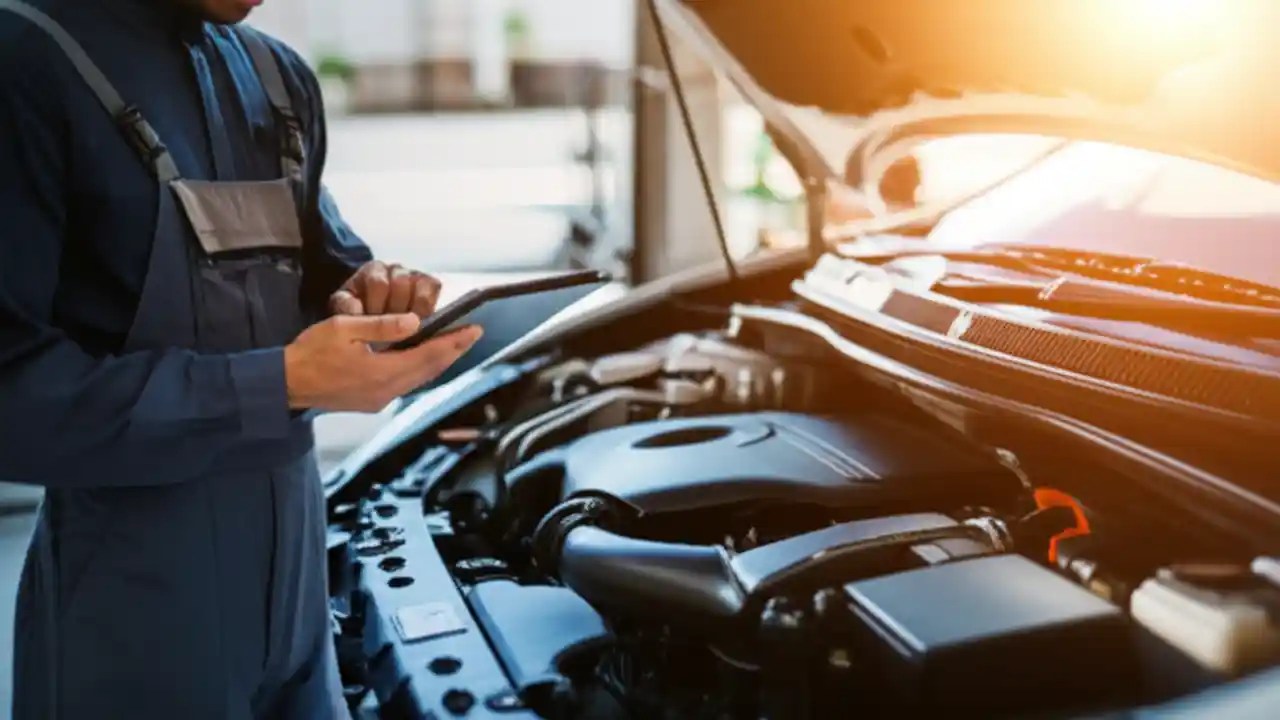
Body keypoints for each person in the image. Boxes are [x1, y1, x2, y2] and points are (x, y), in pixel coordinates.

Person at [0, 0, 482, 717]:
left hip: (300, 604)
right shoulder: (25, 61)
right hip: (134, 622)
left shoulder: (277, 77)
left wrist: (375, 294)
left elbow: (329, 269)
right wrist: (278, 383)